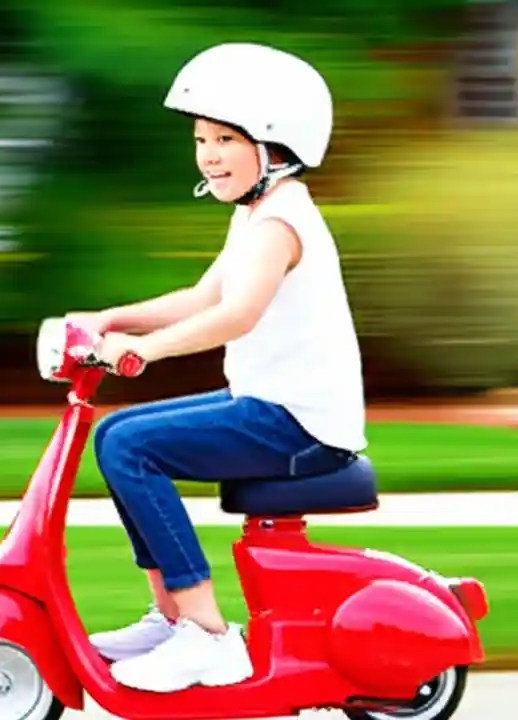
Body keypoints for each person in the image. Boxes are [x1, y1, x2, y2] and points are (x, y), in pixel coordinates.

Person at [67, 42, 367, 694]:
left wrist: (144, 351)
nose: (208, 153)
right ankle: (172, 618)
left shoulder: (280, 221)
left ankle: (206, 636)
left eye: (226, 139)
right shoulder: (257, 212)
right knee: (114, 435)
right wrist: (113, 319)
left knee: (132, 446)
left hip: (300, 425)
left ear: (276, 145)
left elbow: (237, 315)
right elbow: (204, 297)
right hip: (270, 407)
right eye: (202, 139)